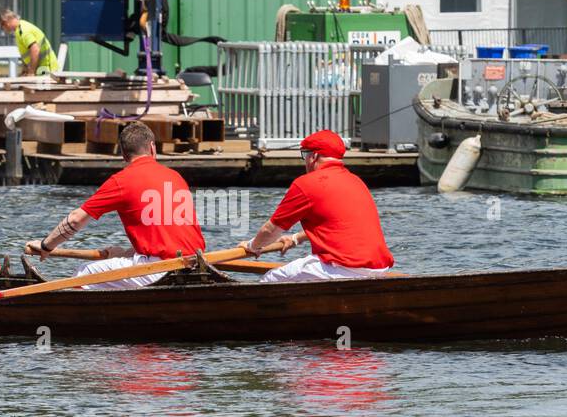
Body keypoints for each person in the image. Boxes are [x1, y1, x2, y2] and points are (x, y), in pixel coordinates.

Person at [29, 121, 204, 290]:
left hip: (159, 268)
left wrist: (46, 246)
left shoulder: (121, 181)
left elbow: (75, 220)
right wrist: (125, 253)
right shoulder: (175, 177)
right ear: (152, 147)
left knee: (84, 273)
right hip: (196, 263)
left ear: (123, 154)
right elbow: (166, 236)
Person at [240, 129, 395, 284]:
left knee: (269, 279)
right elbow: (337, 225)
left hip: (342, 268)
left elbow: (271, 230)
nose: (305, 161)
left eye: (304, 155)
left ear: (313, 156)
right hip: (378, 269)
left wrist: (252, 246)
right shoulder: (357, 182)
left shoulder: (306, 184)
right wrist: (295, 238)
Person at [0, 8, 59, 76]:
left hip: (46, 69)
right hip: (42, 68)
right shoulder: (20, 29)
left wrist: (31, 72)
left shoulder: (24, 31)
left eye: (1, 26)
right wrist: (26, 68)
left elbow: (35, 50)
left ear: (6, 22)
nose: (2, 29)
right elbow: (28, 52)